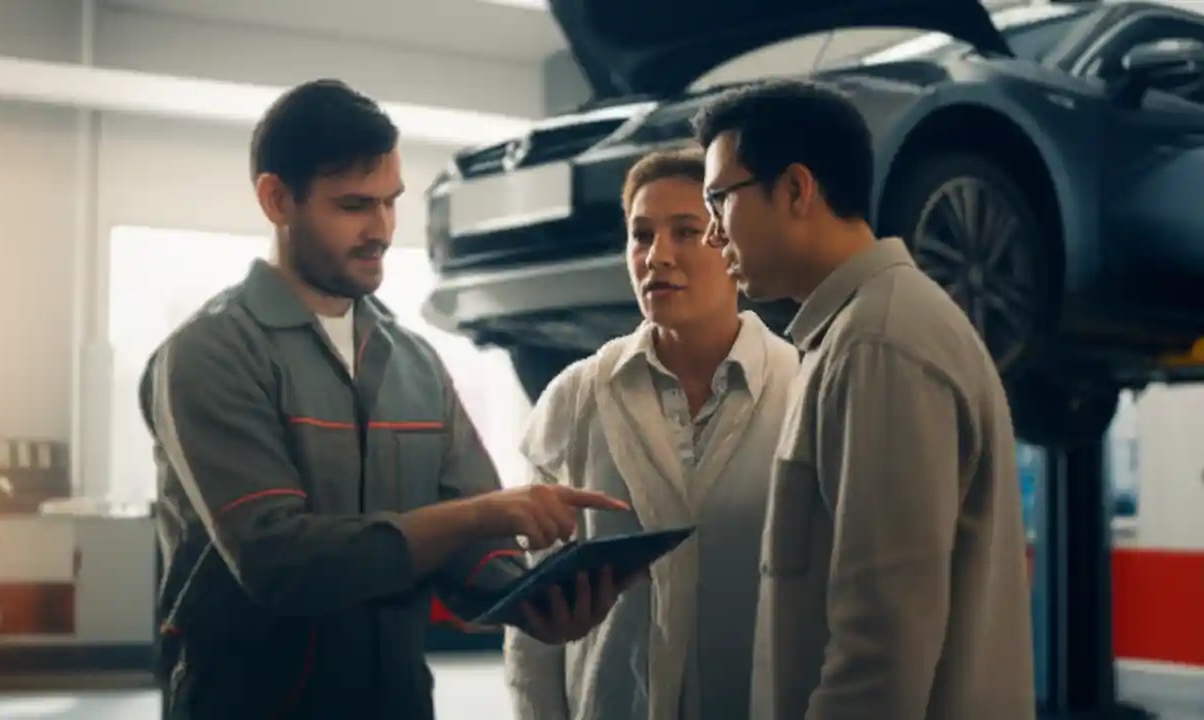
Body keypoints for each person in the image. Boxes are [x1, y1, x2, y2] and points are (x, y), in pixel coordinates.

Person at [139, 79, 631, 720]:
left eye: (390, 203)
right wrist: (488, 514)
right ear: (276, 198)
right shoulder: (210, 354)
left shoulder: (415, 362)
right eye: (352, 205)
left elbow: (472, 545)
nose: (381, 230)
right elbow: (280, 563)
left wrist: (538, 600)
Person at [693, 80, 1035, 720]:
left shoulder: (879, 344)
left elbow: (881, 646)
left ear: (796, 189)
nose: (712, 236)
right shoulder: (854, 334)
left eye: (719, 200)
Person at [503, 149, 802, 720]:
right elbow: (531, 621)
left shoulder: (802, 391)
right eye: (641, 236)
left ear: (732, 244)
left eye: (686, 231)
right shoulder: (576, 397)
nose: (657, 256)